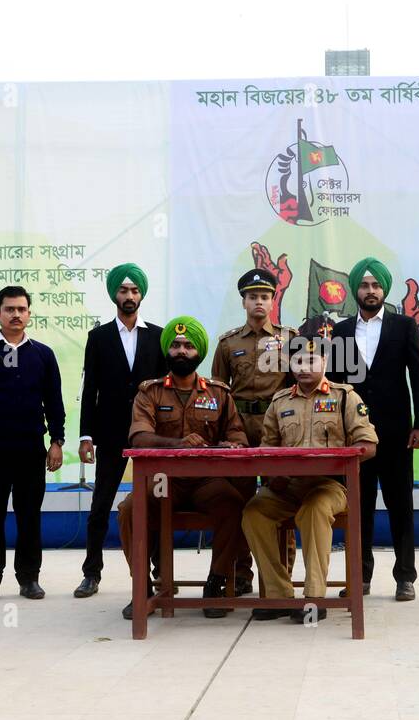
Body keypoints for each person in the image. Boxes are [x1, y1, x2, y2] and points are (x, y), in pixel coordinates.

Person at [243, 317, 378, 623]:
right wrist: (272, 475)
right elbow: (268, 446)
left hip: (329, 487)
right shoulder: (279, 401)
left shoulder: (345, 397)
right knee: (253, 512)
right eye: (298, 360)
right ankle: (279, 596)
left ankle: (314, 597)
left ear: (325, 360)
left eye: (311, 359)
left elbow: (368, 445)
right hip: (287, 486)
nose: (304, 367)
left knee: (314, 510)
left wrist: (341, 458)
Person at [115, 317, 249, 619]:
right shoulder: (150, 392)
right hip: (164, 481)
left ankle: (215, 583)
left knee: (233, 505)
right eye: (175, 345)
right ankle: (142, 587)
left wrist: (233, 445)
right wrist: (177, 444)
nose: (181, 351)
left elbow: (237, 435)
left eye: (188, 346)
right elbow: (138, 436)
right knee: (128, 510)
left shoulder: (219, 393)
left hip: (206, 481)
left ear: (199, 353)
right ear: (167, 351)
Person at [329, 257, 419, 602]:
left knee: (401, 504)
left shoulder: (404, 326)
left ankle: (405, 577)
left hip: (397, 431)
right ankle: (361, 577)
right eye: (364, 285)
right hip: (353, 434)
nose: (370, 291)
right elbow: (334, 383)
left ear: (384, 289)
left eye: (376, 285)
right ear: (355, 289)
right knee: (359, 506)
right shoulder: (341, 331)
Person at [0, 286, 65, 603]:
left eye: (22, 309)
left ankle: (29, 579)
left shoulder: (43, 355)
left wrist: (56, 441)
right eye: (9, 309)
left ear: (29, 314)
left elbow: (54, 403)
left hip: (31, 449)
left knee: (29, 515)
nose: (16, 314)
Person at [75, 264, 167, 599]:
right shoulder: (98, 338)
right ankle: (91, 573)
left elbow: (166, 390)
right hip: (111, 432)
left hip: (151, 434)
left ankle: (158, 571)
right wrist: (86, 435)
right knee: (101, 504)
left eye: (134, 291)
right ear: (114, 293)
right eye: (123, 290)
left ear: (142, 294)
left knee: (157, 499)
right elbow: (90, 390)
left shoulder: (158, 336)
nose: (129, 296)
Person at [212, 268, 298, 593]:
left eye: (264, 296)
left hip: (277, 431)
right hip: (239, 433)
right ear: (243, 302)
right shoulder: (228, 343)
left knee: (280, 501)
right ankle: (242, 575)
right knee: (240, 503)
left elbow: (298, 387)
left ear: (273, 300)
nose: (258, 302)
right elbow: (219, 394)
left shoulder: (291, 340)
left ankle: (281, 576)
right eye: (252, 297)